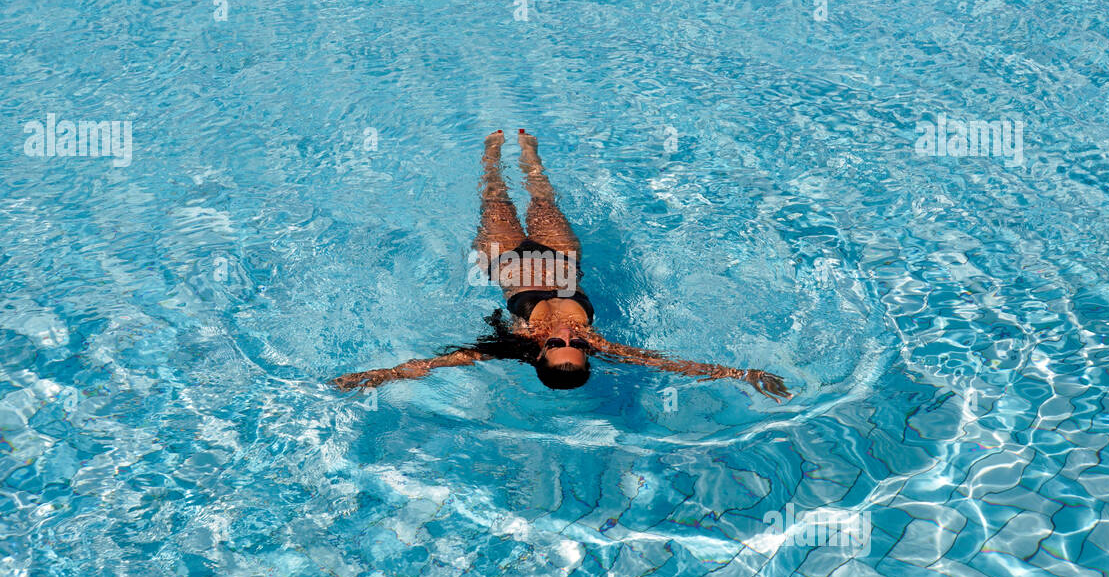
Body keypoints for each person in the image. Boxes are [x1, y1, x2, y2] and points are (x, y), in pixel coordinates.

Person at [332, 130, 791, 399]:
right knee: (542, 195)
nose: (568, 334)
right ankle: (529, 155)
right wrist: (745, 375)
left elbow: (438, 364)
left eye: (556, 343)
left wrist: (377, 377)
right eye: (575, 344)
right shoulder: (599, 342)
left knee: (494, 196)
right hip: (560, 259)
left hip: (504, 261)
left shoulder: (511, 346)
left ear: (539, 354)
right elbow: (672, 364)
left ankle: (491, 156)